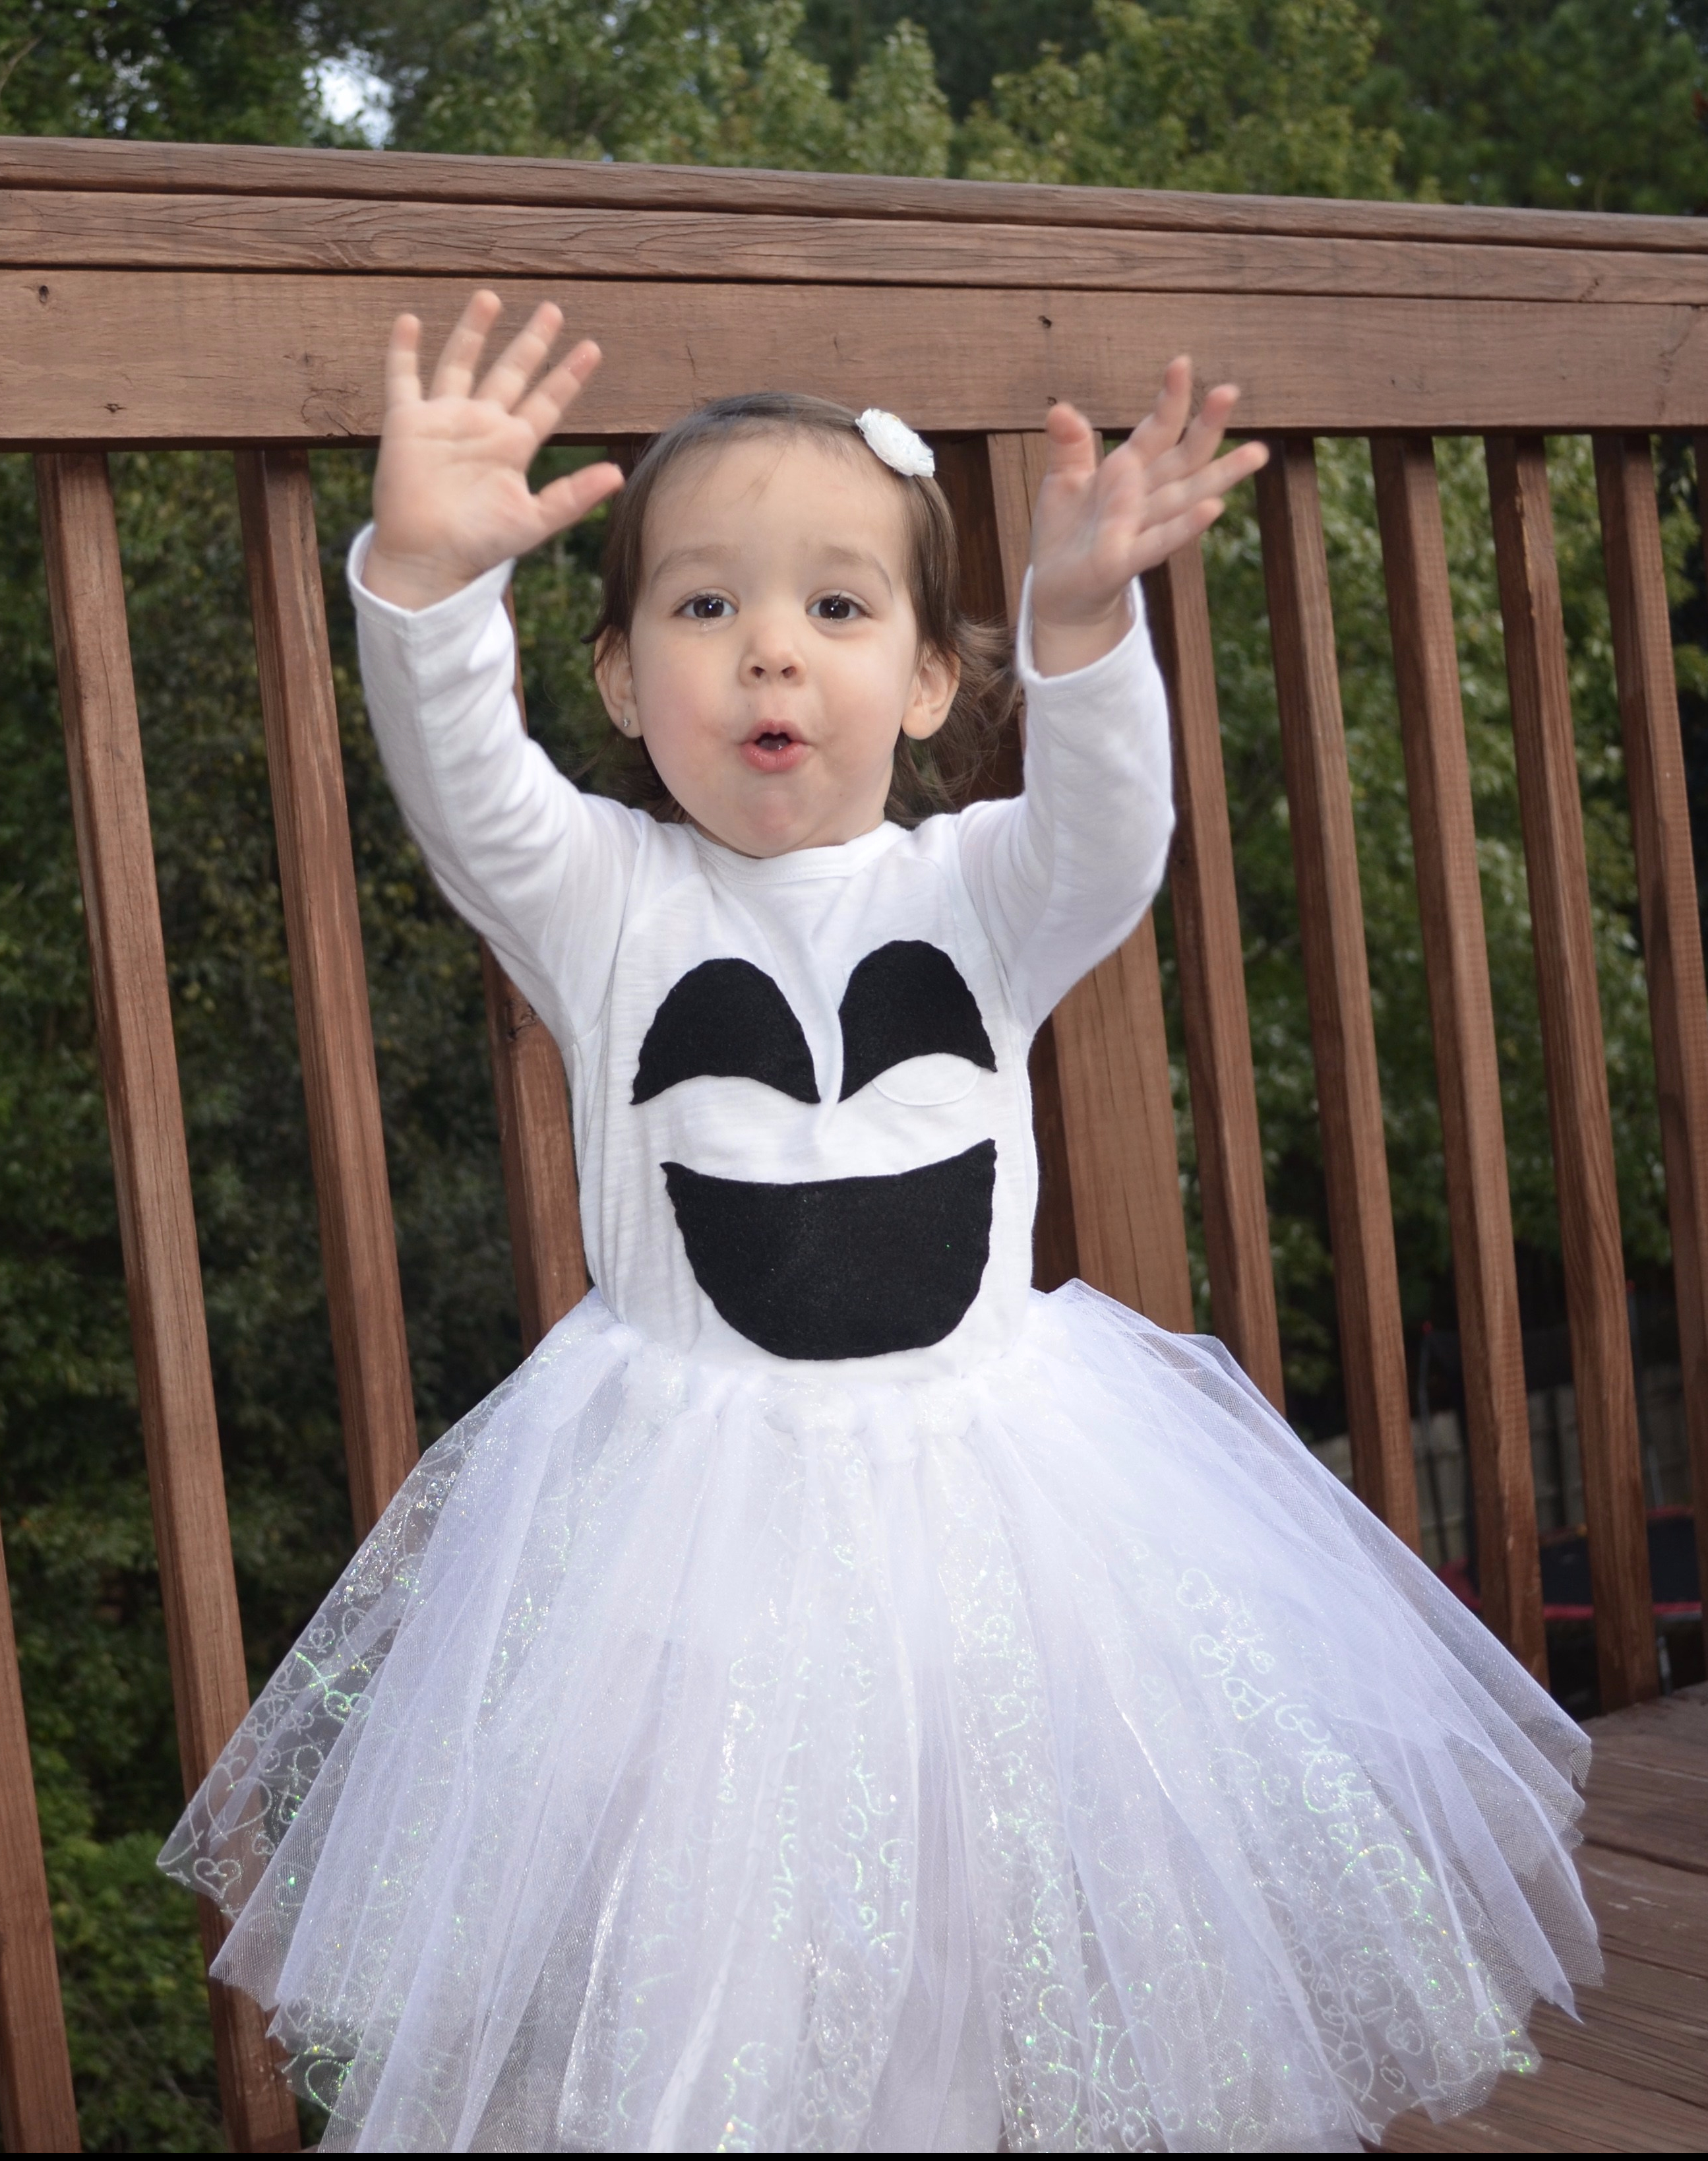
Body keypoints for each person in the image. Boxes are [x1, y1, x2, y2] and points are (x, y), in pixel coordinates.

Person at [162, 292, 1599, 2154]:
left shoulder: (982, 891)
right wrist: (427, 589)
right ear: (619, 681)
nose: (771, 647)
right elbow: (472, 795)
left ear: (927, 681)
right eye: (705, 606)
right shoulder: (604, 902)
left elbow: (1110, 833)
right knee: (726, 1940)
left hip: (997, 1511)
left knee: (989, 1909)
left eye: (838, 608)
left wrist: (1081, 630)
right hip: (695, 1532)